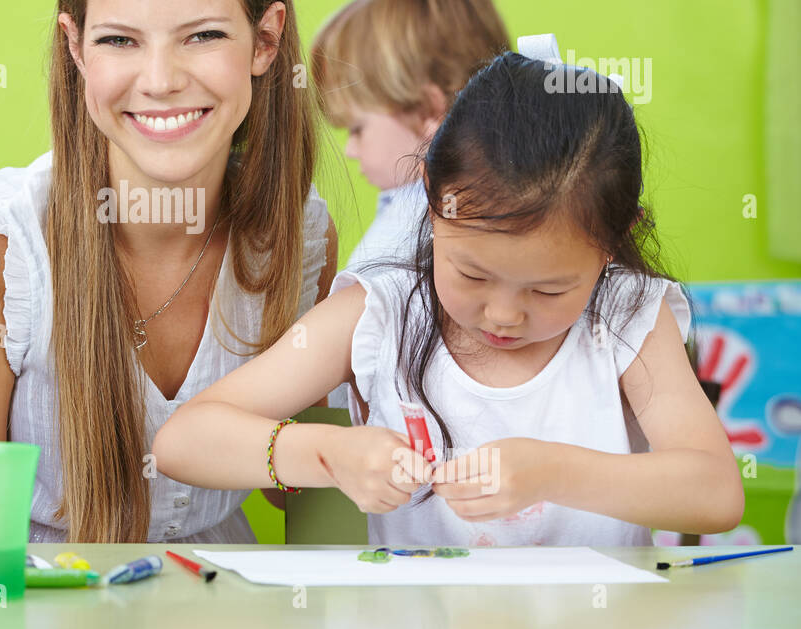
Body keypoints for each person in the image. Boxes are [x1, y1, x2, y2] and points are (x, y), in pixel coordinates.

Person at [0, 0, 337, 545]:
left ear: (266, 41)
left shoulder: (300, 238)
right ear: (75, 47)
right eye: (119, 40)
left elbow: (305, 499)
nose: (159, 81)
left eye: (203, 36)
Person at [153, 52, 744, 546]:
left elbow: (716, 493)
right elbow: (184, 440)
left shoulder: (625, 319)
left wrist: (552, 472)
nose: (505, 314)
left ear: (616, 242)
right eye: (473, 274)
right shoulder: (381, 314)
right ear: (432, 199)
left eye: (547, 289)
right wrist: (330, 453)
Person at [311, 0, 509, 270]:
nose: (350, 150)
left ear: (428, 110)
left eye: (358, 129)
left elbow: (363, 310)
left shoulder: (415, 228)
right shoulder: (512, 198)